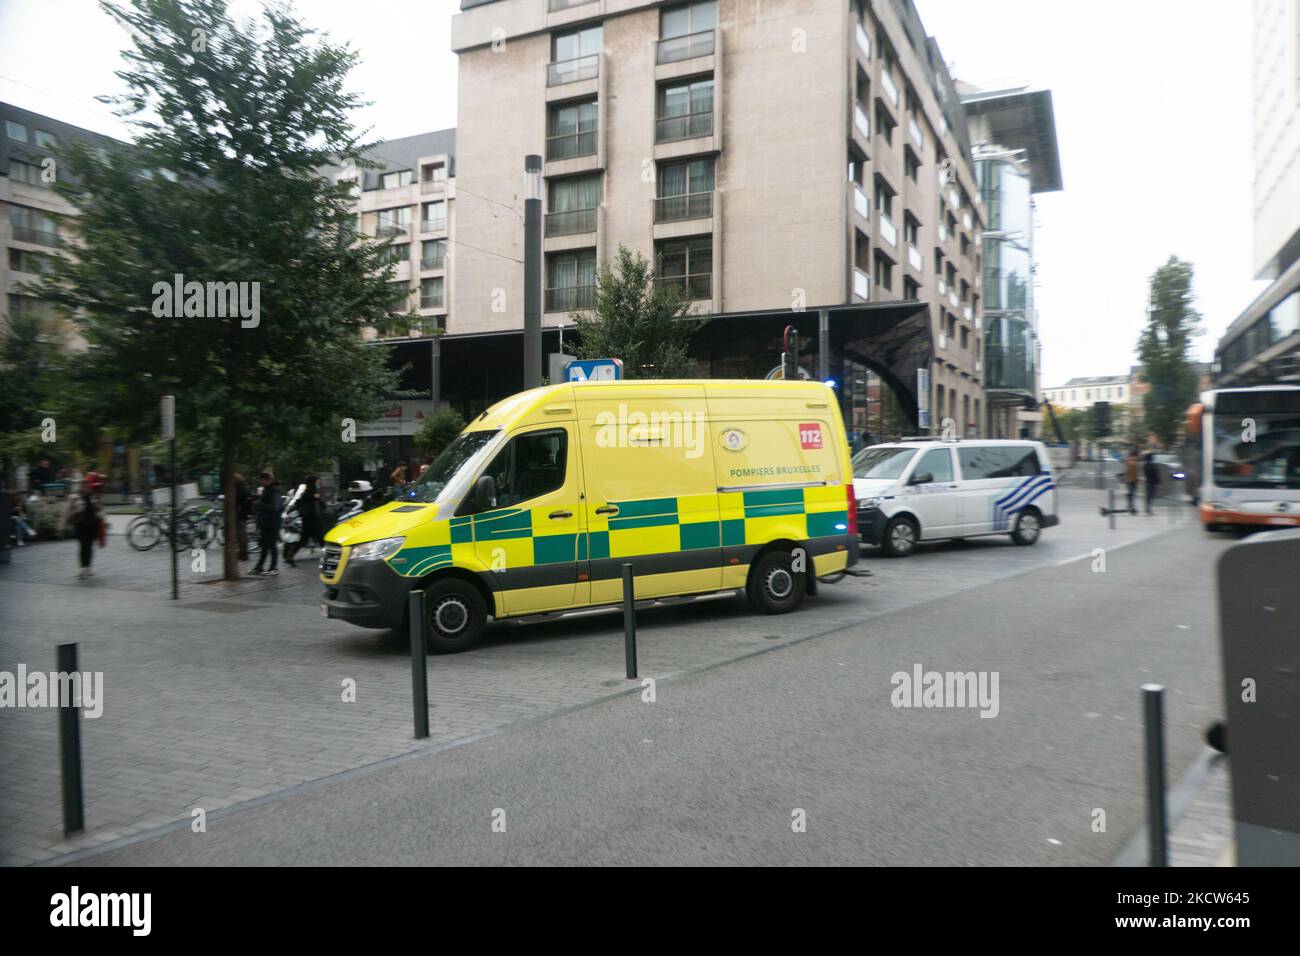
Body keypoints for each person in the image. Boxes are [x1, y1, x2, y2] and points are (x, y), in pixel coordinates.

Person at [251, 472, 282, 575]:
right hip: (266, 522)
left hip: (272, 522)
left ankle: (273, 567)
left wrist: (259, 504)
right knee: (264, 545)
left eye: (262, 481)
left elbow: (274, 507)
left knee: (272, 545)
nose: (261, 483)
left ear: (267, 480)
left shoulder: (274, 491)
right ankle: (259, 567)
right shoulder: (268, 490)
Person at [68, 489, 102, 578]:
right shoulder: (75, 497)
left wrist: (97, 504)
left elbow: (100, 510)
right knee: (83, 546)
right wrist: (62, 525)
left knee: (89, 546)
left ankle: (88, 567)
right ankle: (82, 568)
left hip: (92, 525)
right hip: (80, 525)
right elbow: (68, 510)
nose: (86, 486)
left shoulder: (94, 496)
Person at [233, 473, 252, 561]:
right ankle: (243, 552)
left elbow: (236, 502)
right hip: (244, 514)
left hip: (239, 514)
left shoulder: (239, 489)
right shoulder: (245, 487)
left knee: (241, 534)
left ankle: (243, 553)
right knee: (242, 534)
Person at [1123, 447, 1140, 515]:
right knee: (1132, 494)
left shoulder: (1128, 461)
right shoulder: (1133, 462)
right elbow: (1133, 472)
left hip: (1129, 480)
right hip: (1132, 481)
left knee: (1131, 494)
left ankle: (1130, 506)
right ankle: (1131, 507)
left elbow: (1128, 471)